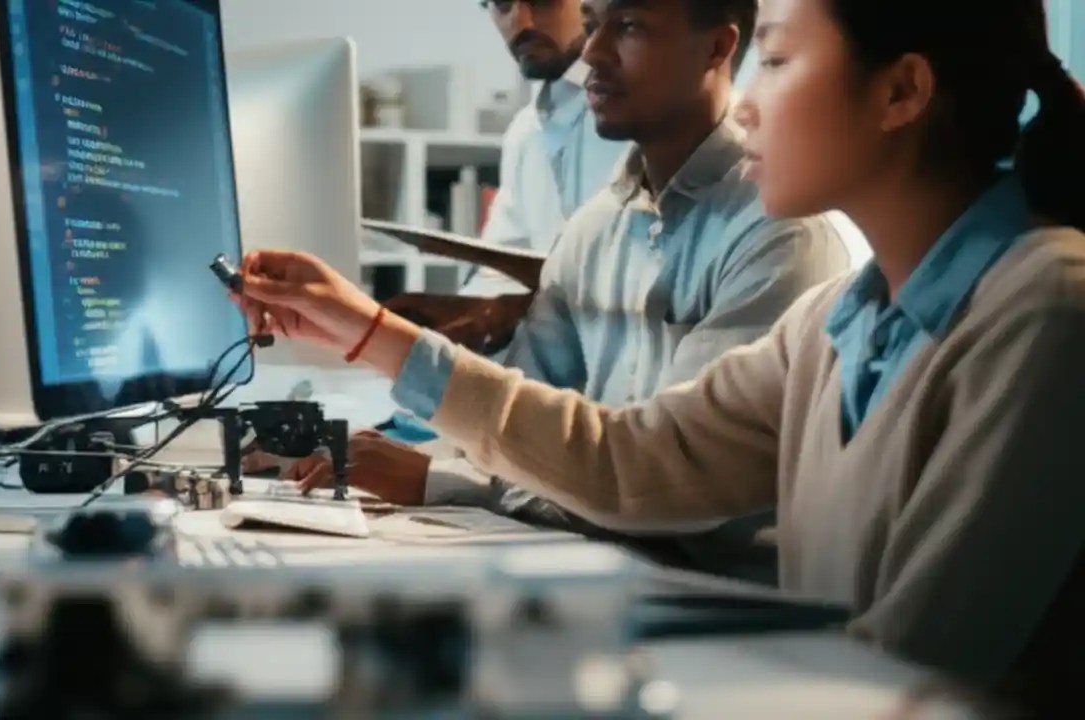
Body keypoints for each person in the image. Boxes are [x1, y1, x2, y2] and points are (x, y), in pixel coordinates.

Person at [233, 0, 1085, 703]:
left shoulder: (1046, 310)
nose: (747, 102)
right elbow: (631, 463)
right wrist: (370, 333)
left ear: (901, 92)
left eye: (778, 62)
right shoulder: (836, 320)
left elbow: (911, 669)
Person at [268, 0, 852, 584]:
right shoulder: (592, 229)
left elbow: (655, 494)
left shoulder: (779, 239)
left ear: (719, 48)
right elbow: (520, 438)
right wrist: (444, 470)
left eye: (628, 27)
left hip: (717, 600)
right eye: (594, 25)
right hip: (593, 563)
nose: (593, 54)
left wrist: (442, 477)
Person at [461, 0, 630, 296]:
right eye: (502, 4)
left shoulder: (645, 113)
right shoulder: (525, 132)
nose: (521, 23)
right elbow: (501, 271)